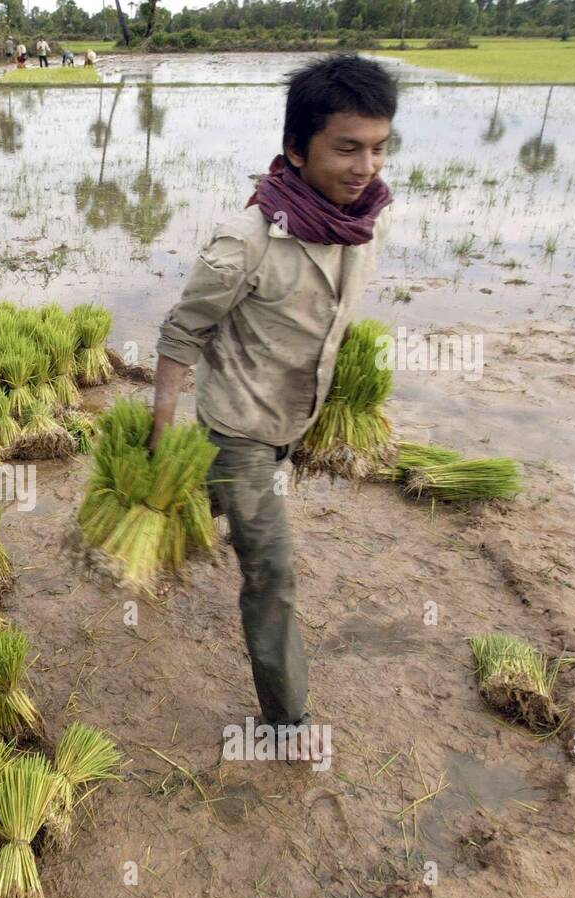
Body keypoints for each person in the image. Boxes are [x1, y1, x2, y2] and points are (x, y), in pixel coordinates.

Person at [148, 54, 397, 762]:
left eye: (378, 146)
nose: (366, 165)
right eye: (346, 147)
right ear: (296, 149)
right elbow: (181, 333)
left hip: (295, 419)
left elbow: (336, 324)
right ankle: (287, 723)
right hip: (240, 430)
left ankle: (156, 519)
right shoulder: (246, 243)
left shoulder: (367, 223)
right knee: (273, 569)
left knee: (207, 506)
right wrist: (161, 432)